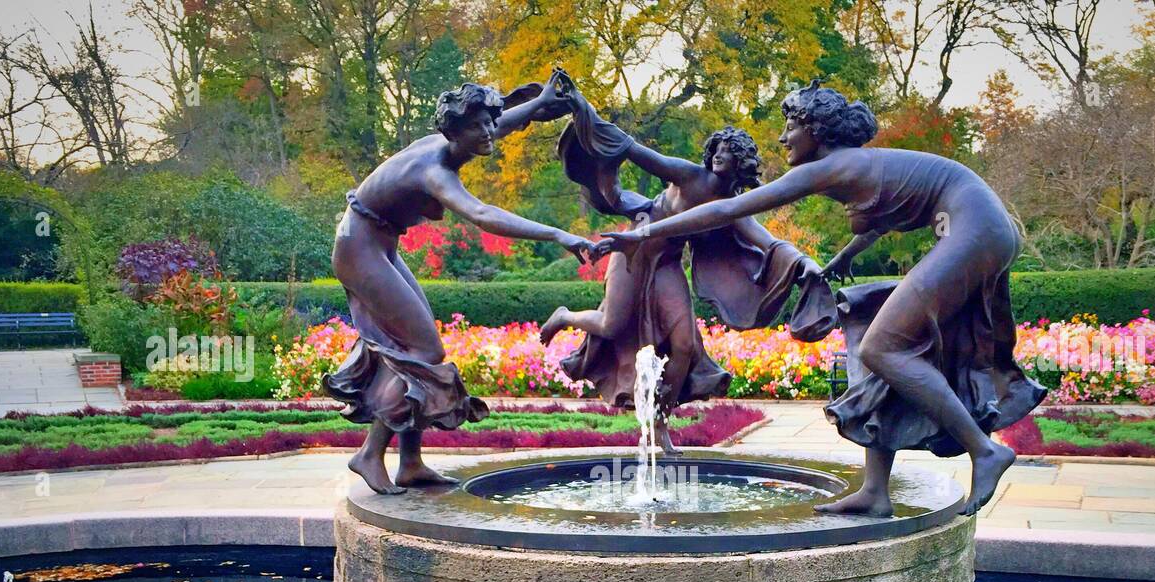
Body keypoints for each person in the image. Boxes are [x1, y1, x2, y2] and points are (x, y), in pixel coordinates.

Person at [602, 80, 1046, 516]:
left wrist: (644, 232)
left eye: (791, 125)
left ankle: (983, 450)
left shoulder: (833, 167)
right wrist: (841, 260)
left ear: (816, 129)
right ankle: (876, 491)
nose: (782, 137)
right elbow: (883, 218)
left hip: (974, 228)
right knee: (866, 332)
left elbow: (728, 209)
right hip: (978, 228)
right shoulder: (861, 167)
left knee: (882, 346)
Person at [324, 73, 598, 495]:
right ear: (454, 131)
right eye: (478, 125)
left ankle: (410, 463)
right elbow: (484, 215)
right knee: (425, 350)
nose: (489, 132)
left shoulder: (457, 141)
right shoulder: (435, 170)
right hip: (359, 248)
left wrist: (540, 101)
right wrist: (557, 234)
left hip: (377, 242)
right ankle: (369, 453)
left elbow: (499, 124)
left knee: (418, 348)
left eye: (490, 121)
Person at [541, 76, 834, 454]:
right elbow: (634, 150)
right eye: (718, 148)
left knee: (683, 344)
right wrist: (584, 110)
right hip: (632, 254)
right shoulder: (688, 174)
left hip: (665, 264)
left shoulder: (735, 206)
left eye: (728, 152)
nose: (719, 155)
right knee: (611, 324)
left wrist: (805, 263)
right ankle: (565, 316)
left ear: (739, 164)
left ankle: (660, 422)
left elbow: (770, 242)